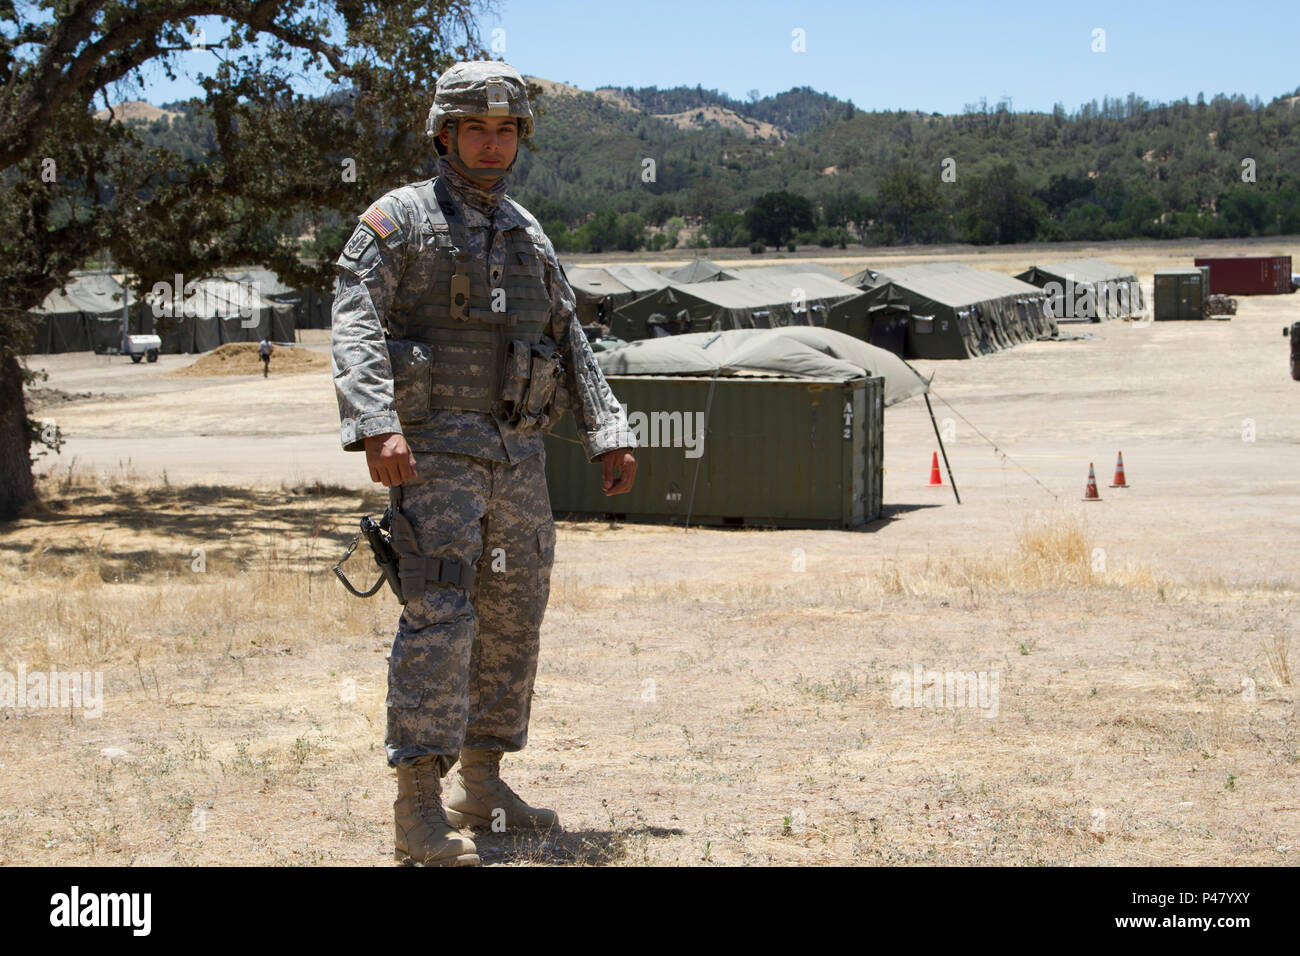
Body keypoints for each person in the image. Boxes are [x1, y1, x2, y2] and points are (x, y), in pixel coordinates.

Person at [330, 60, 638, 867]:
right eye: (476, 129)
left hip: (519, 459)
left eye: (506, 131)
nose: (492, 144)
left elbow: (567, 334)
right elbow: (354, 317)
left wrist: (607, 427)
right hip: (432, 461)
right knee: (440, 621)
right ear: (444, 133)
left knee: (511, 621)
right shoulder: (398, 222)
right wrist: (374, 423)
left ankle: (482, 781)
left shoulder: (526, 232)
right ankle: (417, 811)